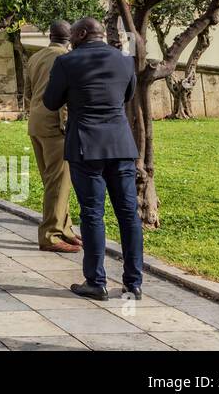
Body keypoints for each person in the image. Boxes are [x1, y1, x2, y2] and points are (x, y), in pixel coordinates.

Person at [43, 17, 144, 301]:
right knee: (128, 214)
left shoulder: (66, 62)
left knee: (92, 213)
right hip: (121, 145)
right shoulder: (125, 61)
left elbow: (51, 102)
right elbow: (127, 95)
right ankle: (134, 283)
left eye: (73, 34)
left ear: (83, 34)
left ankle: (95, 281)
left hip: (86, 146)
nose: (70, 39)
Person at [24, 20, 82, 253]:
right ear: (71, 37)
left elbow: (28, 94)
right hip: (55, 126)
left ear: (50, 35)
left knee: (54, 180)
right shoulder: (66, 59)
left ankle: (65, 228)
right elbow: (66, 97)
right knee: (58, 181)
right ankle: (50, 235)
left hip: (36, 123)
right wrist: (67, 126)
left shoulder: (35, 58)